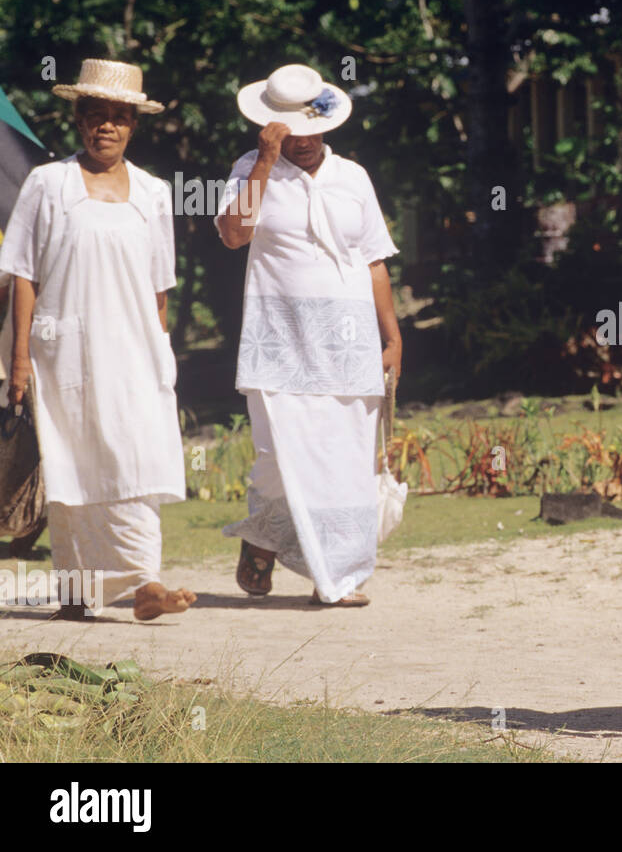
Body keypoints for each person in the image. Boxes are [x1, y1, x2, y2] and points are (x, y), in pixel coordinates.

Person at [0, 58, 194, 620]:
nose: (106, 127)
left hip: (134, 351)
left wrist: (162, 351)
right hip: (64, 351)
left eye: (118, 117)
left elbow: (160, 290)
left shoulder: (154, 194)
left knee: (134, 458)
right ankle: (80, 595)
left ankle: (143, 582)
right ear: (79, 120)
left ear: (134, 126)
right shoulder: (48, 183)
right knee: (74, 465)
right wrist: (18, 360)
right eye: (95, 115)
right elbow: (24, 274)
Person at [216, 64, 400, 608]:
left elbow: (374, 262)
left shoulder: (354, 177)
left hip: (349, 340)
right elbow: (232, 235)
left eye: (310, 130)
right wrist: (267, 163)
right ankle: (262, 539)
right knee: (278, 452)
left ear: (325, 122)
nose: (303, 141)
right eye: (289, 133)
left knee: (344, 458)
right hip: (278, 337)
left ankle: (337, 575)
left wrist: (391, 336)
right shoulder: (251, 168)